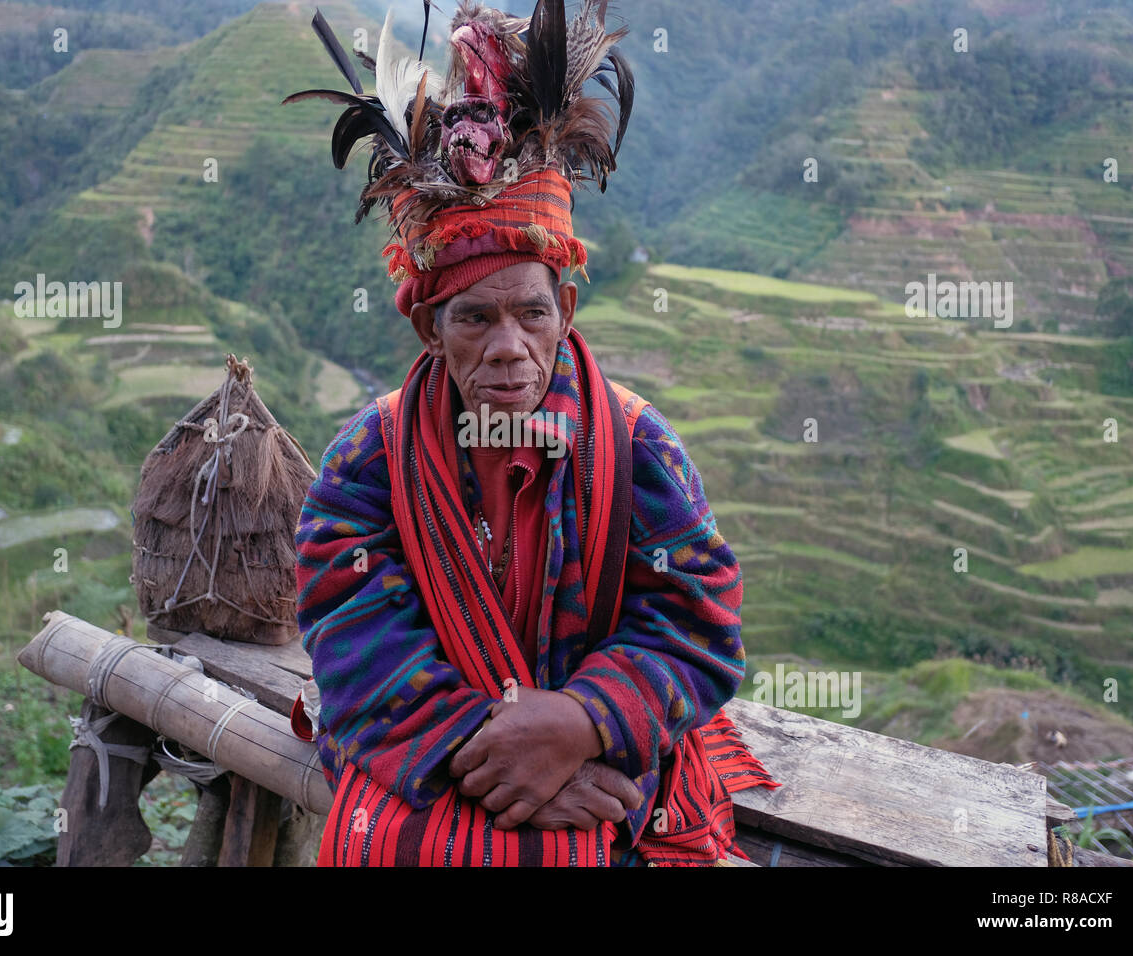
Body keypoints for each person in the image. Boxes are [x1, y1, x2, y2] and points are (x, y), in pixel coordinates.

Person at [290, 1, 775, 866]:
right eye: (474, 318)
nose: (508, 349)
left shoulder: (636, 447)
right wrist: (496, 746)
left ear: (568, 312)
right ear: (429, 330)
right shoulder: (369, 461)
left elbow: (696, 619)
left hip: (595, 747)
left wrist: (582, 721)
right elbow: (350, 628)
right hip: (438, 747)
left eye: (531, 313)